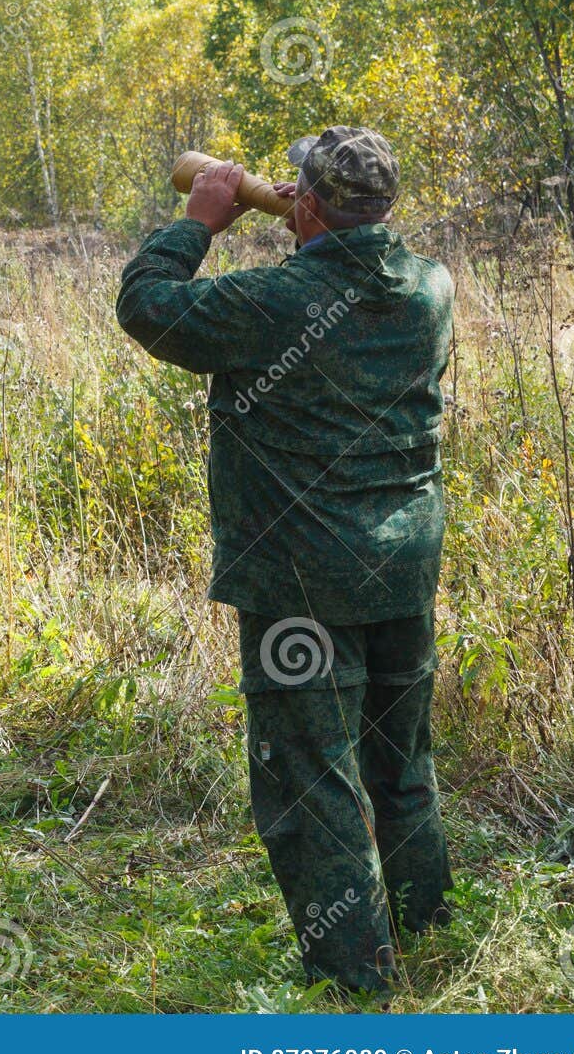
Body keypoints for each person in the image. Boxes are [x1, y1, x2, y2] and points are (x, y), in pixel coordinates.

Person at [115, 127, 455, 994]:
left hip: (302, 581)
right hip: (404, 566)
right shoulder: (430, 288)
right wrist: (302, 226)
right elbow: (342, 270)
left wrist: (199, 220)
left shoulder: (274, 303)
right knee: (401, 766)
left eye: (296, 185)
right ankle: (435, 936)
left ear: (303, 201)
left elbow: (148, 307)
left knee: (314, 778)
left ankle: (356, 983)